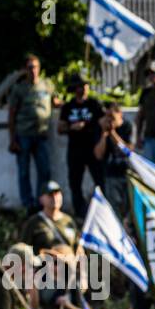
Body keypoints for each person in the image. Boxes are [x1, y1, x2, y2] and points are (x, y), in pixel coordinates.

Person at [6, 54, 58, 212]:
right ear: (24, 70)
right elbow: (12, 113)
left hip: (41, 134)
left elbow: (55, 101)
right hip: (24, 134)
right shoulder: (19, 88)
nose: (33, 71)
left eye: (35, 67)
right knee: (24, 172)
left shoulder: (46, 85)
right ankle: (28, 205)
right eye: (30, 68)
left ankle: (42, 202)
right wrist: (12, 138)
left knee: (44, 171)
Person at [57, 75, 104, 217]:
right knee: (75, 183)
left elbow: (103, 123)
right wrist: (73, 127)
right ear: (75, 89)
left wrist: (87, 125)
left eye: (85, 86)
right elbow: (60, 128)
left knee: (100, 181)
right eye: (80, 86)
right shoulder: (68, 106)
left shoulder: (94, 104)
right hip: (75, 150)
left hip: (93, 149)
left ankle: (101, 211)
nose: (83, 89)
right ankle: (80, 213)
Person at [94, 102, 134, 218]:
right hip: (110, 174)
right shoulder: (102, 129)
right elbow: (98, 154)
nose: (109, 120)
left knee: (128, 209)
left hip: (127, 173)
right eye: (107, 117)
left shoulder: (128, 126)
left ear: (120, 114)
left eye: (112, 117)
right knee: (113, 209)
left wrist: (113, 134)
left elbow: (128, 151)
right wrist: (104, 135)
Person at [19, 180, 78, 254]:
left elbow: (77, 249)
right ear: (41, 199)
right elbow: (22, 250)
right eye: (50, 195)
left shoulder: (68, 221)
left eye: (57, 194)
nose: (54, 198)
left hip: (68, 264)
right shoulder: (34, 223)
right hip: (44, 264)